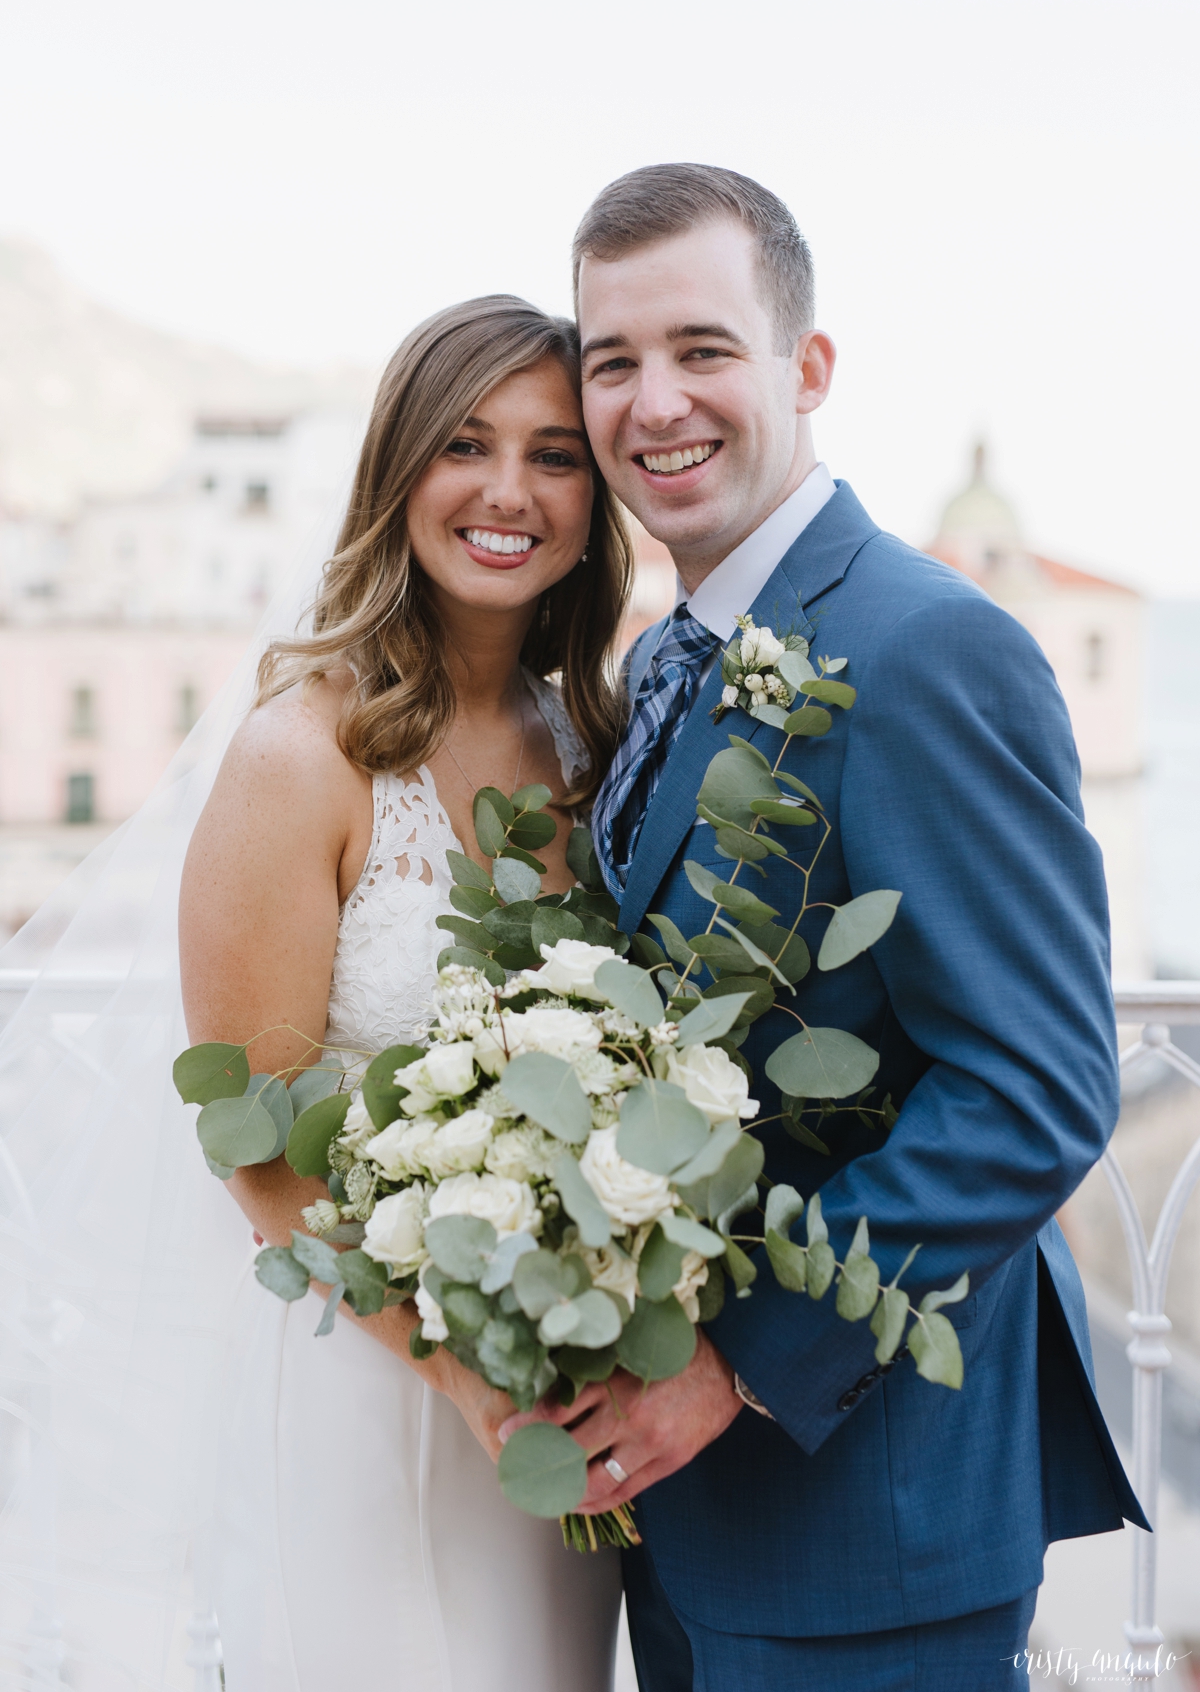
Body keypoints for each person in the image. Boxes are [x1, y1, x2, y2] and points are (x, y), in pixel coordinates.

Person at [507, 165, 1146, 1691]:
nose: (655, 401)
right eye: (614, 361)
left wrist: (738, 1366)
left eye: (703, 349)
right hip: (695, 1505)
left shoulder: (928, 647)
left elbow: (1037, 1086)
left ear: (807, 369)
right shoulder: (675, 647)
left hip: (867, 1507)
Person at [178, 295, 631, 1689]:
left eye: (556, 454)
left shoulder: (598, 747)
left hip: (564, 1383)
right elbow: (255, 1146)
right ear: (398, 473)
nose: (509, 491)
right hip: (370, 1385)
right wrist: (457, 1368)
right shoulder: (297, 756)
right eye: (465, 445)